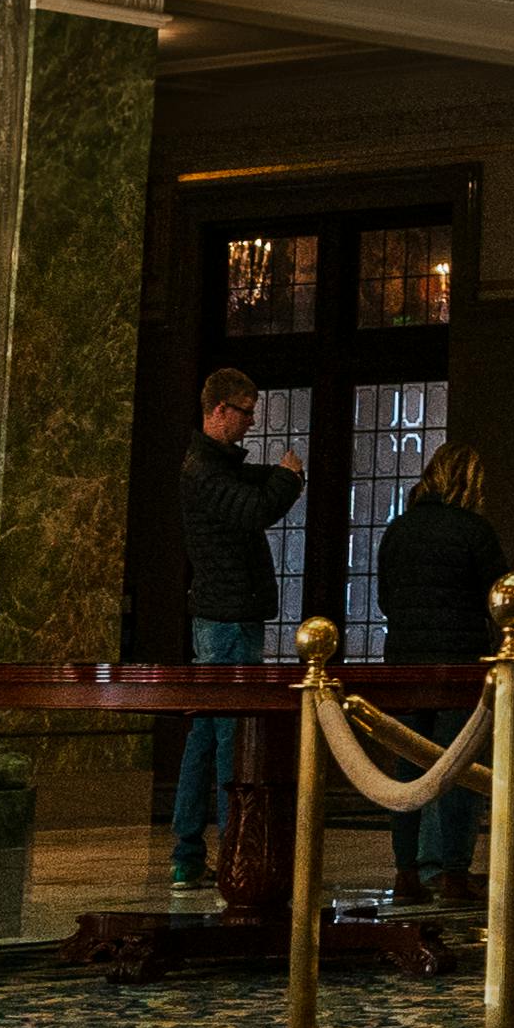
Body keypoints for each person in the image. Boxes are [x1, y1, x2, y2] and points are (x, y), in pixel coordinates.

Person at [168, 367, 302, 891]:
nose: (251, 422)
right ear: (220, 409)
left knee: (206, 732)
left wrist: (277, 477)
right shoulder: (203, 468)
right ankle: (232, 849)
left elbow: (250, 488)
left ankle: (187, 852)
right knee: (228, 735)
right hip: (225, 618)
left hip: (221, 614)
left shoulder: (211, 464)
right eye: (245, 412)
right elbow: (254, 509)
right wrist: (289, 477)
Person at [372, 439, 499, 893]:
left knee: (407, 767)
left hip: (405, 662)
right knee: (458, 767)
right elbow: (496, 599)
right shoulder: (474, 531)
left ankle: (406, 869)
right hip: (458, 666)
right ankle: (454, 871)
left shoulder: (399, 529)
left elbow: (385, 598)